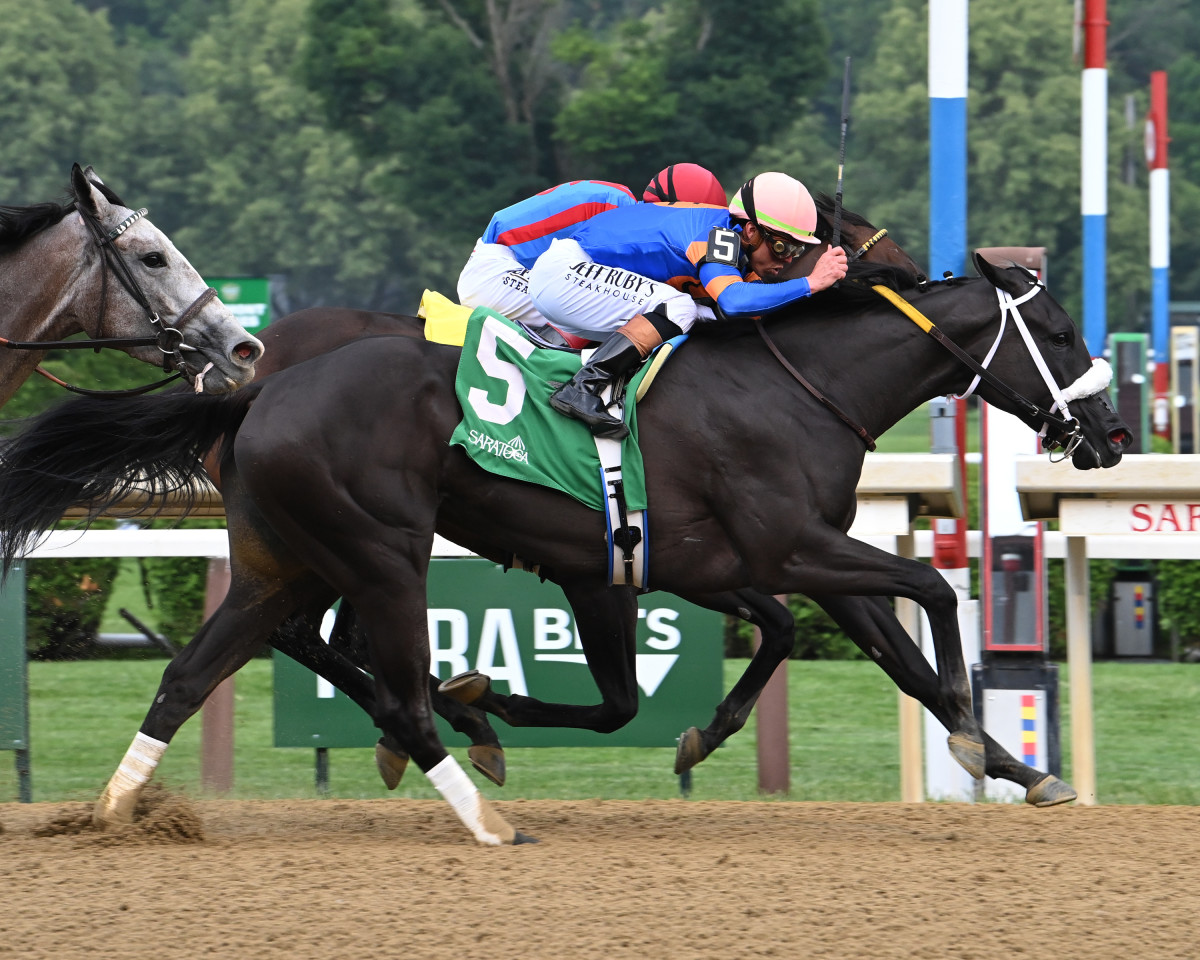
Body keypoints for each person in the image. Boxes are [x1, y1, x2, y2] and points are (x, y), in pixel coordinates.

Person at [528, 171, 848, 438]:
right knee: (680, 307)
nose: (785, 260)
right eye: (781, 246)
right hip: (566, 273)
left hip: (577, 281)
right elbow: (735, 301)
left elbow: (749, 311)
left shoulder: (736, 248)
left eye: (794, 251)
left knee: (701, 314)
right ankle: (583, 386)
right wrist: (811, 283)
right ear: (750, 230)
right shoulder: (718, 234)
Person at [456, 165, 726, 340]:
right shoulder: (620, 211)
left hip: (512, 265)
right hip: (498, 270)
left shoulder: (625, 208)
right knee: (613, 308)